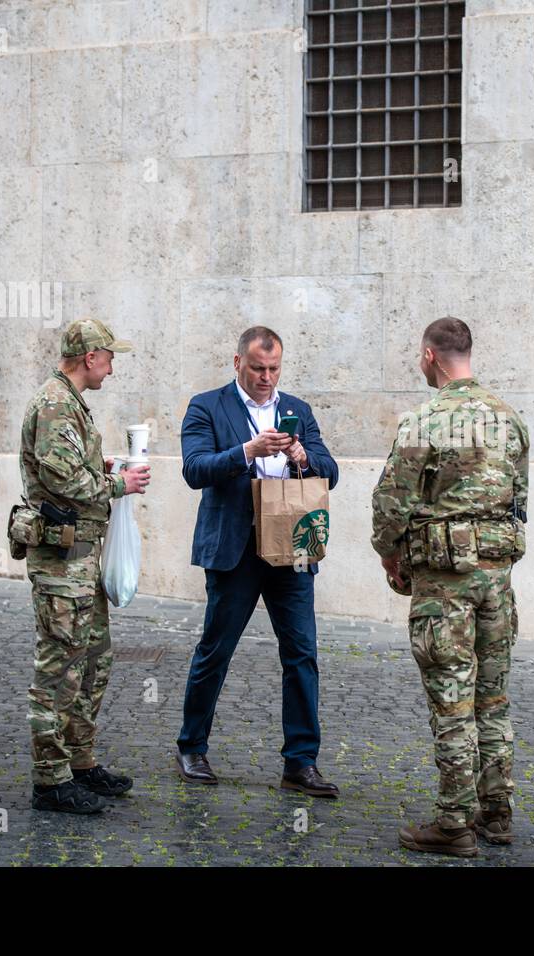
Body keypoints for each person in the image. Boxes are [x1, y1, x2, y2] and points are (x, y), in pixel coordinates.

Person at [371, 316, 529, 857]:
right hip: (498, 581)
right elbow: (519, 500)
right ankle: (497, 811)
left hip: (445, 586)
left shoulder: (426, 420)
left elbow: (392, 501)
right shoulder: (509, 419)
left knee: (452, 699)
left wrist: (390, 555)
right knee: (494, 697)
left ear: (430, 356)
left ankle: (454, 823)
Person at [175, 326, 341, 797]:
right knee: (216, 650)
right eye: (257, 369)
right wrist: (247, 451)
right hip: (235, 548)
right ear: (237, 363)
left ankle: (300, 763)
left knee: (302, 655)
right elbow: (193, 469)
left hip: (291, 549)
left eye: (274, 369)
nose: (267, 378)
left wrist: (302, 455)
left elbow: (331, 473)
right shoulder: (207, 405)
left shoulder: (298, 411)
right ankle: (191, 746)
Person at [19, 318, 151, 814]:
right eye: (109, 357)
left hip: (81, 559)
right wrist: (119, 486)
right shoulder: (54, 405)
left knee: (94, 659)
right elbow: (62, 483)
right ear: (90, 357)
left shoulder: (70, 404)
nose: (112, 367)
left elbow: (74, 471)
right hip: (60, 561)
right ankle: (50, 780)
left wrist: (109, 468)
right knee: (59, 667)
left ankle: (79, 760)